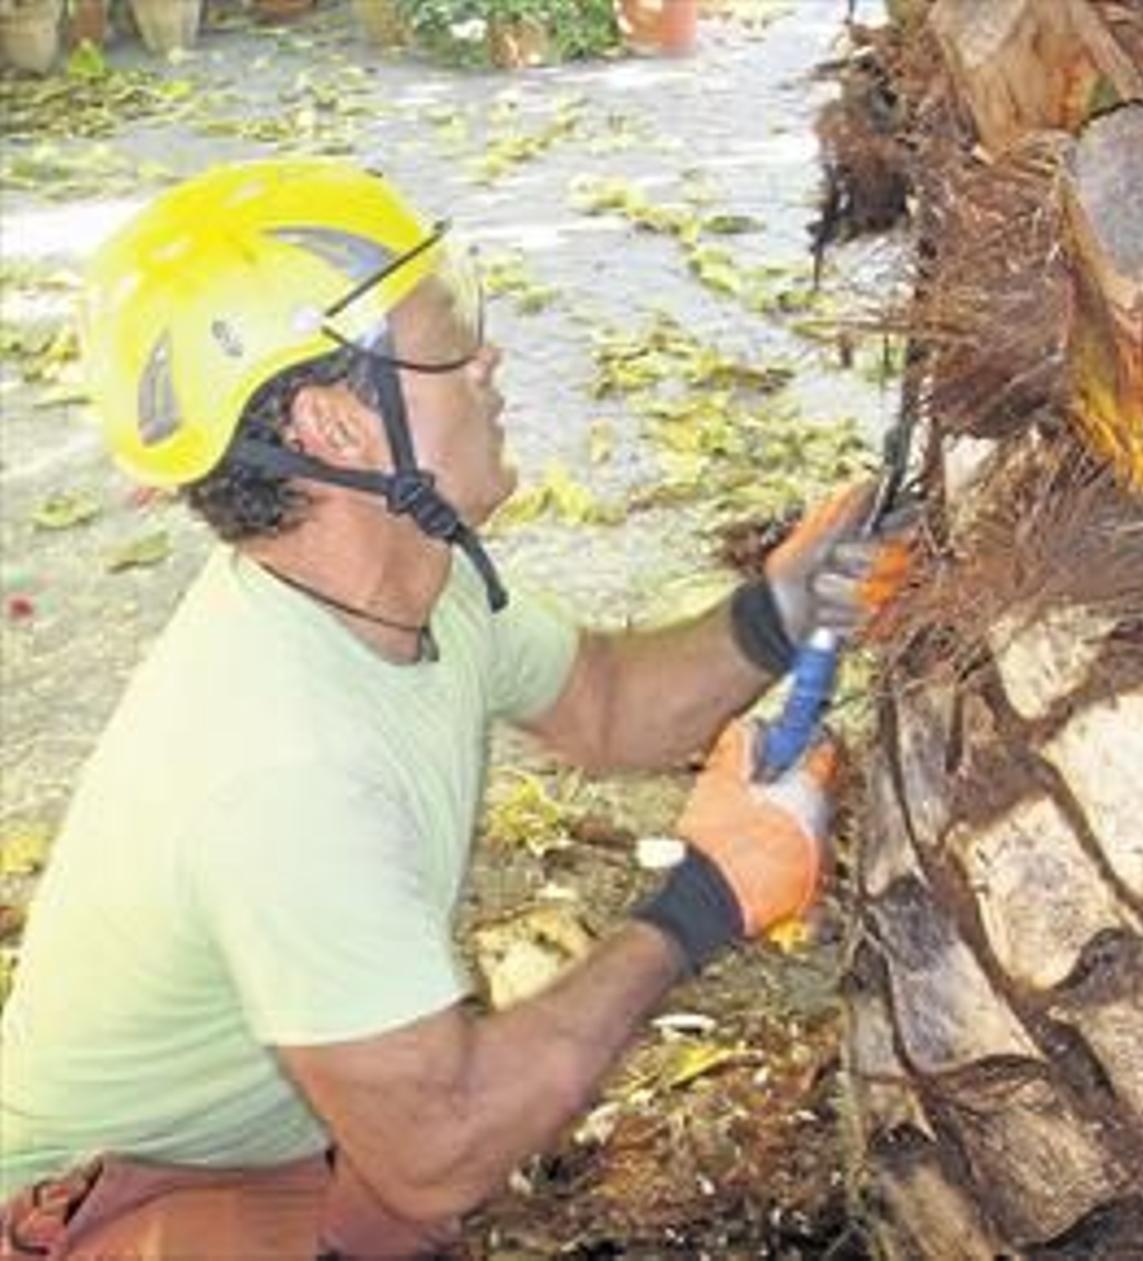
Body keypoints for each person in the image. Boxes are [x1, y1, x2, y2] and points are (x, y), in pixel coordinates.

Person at [0, 159, 908, 1260]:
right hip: (90, 1203)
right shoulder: (282, 769)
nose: (490, 358)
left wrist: (783, 608)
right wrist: (708, 897)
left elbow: (609, 705)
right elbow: (439, 1148)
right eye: (451, 338)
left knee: (406, 1174)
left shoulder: (407, 581)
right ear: (338, 427)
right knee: (424, 1163)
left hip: (271, 1146)